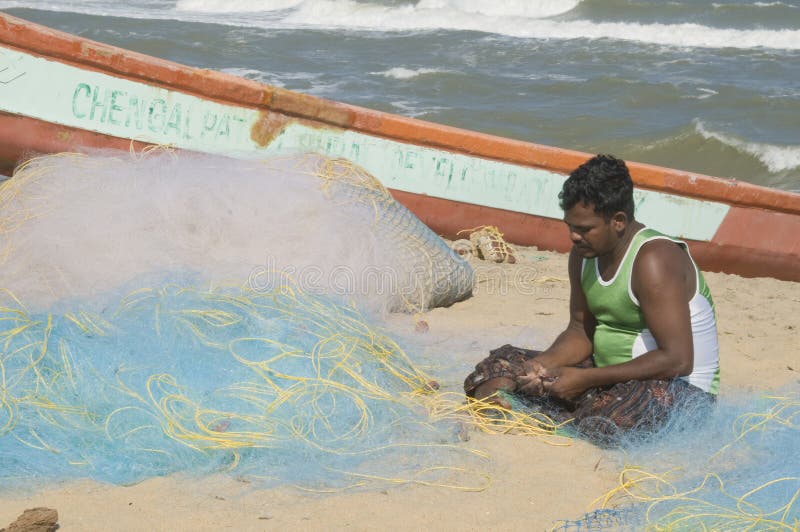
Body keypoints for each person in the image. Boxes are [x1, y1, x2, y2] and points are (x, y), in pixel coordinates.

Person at [463, 154, 719, 445]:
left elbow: (678, 360)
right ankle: (515, 406)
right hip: (607, 376)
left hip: (678, 390)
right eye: (570, 226)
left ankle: (543, 413)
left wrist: (586, 379)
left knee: (612, 416)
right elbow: (579, 330)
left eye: (584, 229)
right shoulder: (584, 254)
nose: (573, 236)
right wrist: (541, 367)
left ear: (618, 221)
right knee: (500, 364)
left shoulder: (654, 260)